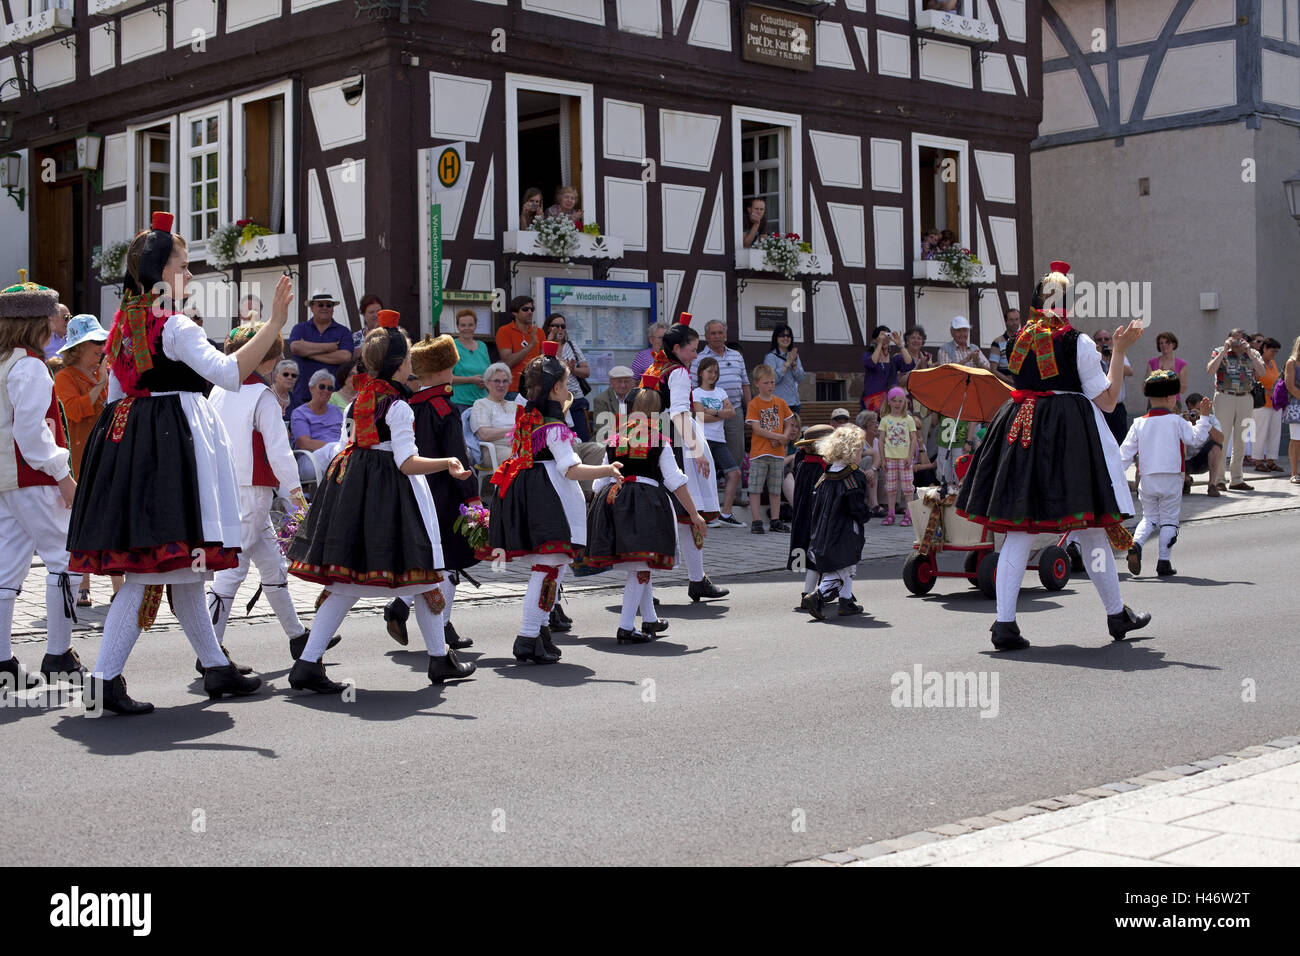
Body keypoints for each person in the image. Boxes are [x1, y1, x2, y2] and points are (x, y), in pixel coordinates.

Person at [68, 214, 292, 714]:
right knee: (149, 569)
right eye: (184, 267)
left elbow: (117, 395)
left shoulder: (126, 323)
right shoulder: (174, 325)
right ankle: (104, 679)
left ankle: (215, 667)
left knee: (183, 566)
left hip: (132, 442)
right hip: (173, 442)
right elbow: (230, 372)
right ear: (158, 272)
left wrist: (116, 463)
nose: (190, 277)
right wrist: (274, 325)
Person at [955, 260, 1150, 651]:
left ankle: (1005, 624)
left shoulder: (1018, 340)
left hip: (1020, 429)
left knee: (1016, 532)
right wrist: (1121, 350)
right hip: (1066, 437)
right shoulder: (1078, 343)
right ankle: (1115, 614)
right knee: (1091, 530)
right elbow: (1109, 402)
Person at [288, 317, 477, 690]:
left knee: (348, 580)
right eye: (407, 356)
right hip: (394, 496)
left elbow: (351, 445)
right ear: (400, 364)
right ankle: (438, 660)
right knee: (423, 574)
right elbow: (406, 462)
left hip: (354, 492)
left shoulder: (360, 398)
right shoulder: (399, 407)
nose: (411, 362)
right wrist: (448, 464)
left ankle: (310, 662)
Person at [488, 341, 620, 663]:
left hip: (530, 492)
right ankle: (528, 635)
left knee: (552, 567)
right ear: (557, 388)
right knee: (546, 567)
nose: (569, 387)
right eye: (566, 382)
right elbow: (570, 469)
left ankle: (541, 631)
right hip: (552, 497)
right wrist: (607, 468)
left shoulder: (527, 419)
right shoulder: (555, 428)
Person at [208, 323, 323, 664]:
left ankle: (298, 637)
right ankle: (210, 654)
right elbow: (280, 453)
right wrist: (297, 500)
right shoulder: (262, 395)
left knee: (272, 567)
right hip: (252, 489)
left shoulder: (218, 389)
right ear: (270, 360)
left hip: (228, 487)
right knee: (232, 572)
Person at [0, 275, 83, 694]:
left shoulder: (4, 363)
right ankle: (58, 654)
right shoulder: (30, 367)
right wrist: (62, 476)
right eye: (51, 315)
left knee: (6, 571)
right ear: (34, 321)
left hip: (6, 480)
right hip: (33, 477)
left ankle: (2, 662)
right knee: (63, 561)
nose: (56, 324)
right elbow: (33, 434)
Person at [586, 378, 706, 643]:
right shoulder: (659, 440)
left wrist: (593, 515)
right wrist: (695, 514)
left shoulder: (614, 439)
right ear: (657, 412)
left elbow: (599, 482)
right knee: (640, 566)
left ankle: (649, 618)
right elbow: (674, 480)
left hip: (615, 504)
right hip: (646, 506)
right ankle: (626, 626)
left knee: (641, 563)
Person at [382, 333, 481, 653]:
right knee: (448, 563)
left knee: (429, 558)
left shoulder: (411, 403)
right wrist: (471, 495)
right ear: (443, 370)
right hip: (445, 491)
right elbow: (459, 457)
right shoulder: (444, 408)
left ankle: (400, 607)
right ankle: (442, 628)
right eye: (451, 365)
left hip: (416, 488)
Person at [647, 315, 728, 600]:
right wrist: (696, 451)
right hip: (677, 443)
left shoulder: (656, 366)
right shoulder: (678, 373)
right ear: (679, 348)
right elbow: (680, 412)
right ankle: (696, 579)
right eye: (693, 349)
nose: (696, 354)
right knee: (690, 512)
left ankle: (647, 585)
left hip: (655, 438)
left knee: (661, 514)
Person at [1119, 372, 1213, 578]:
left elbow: (1124, 455)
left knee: (1149, 517)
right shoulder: (1176, 421)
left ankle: (1136, 543)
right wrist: (1205, 417)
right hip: (1172, 477)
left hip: (1147, 478)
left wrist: (1115, 476)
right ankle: (1163, 561)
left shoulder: (1138, 423)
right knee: (1169, 520)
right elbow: (1196, 439)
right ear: (1172, 398)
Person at [53, 314, 114, 608]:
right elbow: (75, 410)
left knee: (112, 516)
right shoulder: (65, 377)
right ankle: (83, 585)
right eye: (95, 343)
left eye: (103, 342)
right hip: (82, 456)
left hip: (109, 452)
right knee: (84, 520)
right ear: (78, 348)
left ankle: (119, 587)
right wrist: (100, 383)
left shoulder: (106, 372)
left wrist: (106, 380)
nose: (101, 348)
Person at [803, 425, 871, 621]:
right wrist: (865, 515)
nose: (861, 454)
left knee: (846, 566)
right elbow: (855, 505)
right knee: (842, 568)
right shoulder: (853, 475)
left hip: (824, 529)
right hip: (844, 529)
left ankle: (846, 601)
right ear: (851, 451)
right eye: (859, 450)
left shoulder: (827, 473)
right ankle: (818, 596)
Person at [690, 318, 751, 491]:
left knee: (736, 452)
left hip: (735, 410)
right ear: (706, 336)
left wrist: (750, 412)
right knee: (707, 453)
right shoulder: (698, 358)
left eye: (720, 333)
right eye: (713, 333)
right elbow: (693, 387)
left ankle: (736, 492)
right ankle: (708, 492)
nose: (717, 336)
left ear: (725, 334)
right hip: (706, 414)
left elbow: (745, 384)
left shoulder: (736, 356)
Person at [1206, 327, 1265, 491]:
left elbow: (1262, 372)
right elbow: (1210, 370)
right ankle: (1219, 479)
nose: (1237, 342)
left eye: (1240, 339)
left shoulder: (1252, 353)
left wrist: (1250, 352)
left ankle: (1237, 478)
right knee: (1221, 437)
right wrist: (1225, 349)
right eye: (1234, 339)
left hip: (1245, 397)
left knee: (1242, 438)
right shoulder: (1219, 351)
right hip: (1224, 396)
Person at [693, 356, 743, 527]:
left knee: (734, 473)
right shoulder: (696, 393)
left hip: (719, 440)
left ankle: (726, 513)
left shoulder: (721, 392)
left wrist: (712, 411)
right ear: (701, 373)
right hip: (703, 439)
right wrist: (720, 411)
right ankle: (707, 515)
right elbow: (700, 417)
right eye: (709, 371)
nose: (713, 375)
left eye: (715, 372)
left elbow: (732, 413)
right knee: (706, 477)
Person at [787, 423, 833, 610]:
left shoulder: (802, 461)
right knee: (821, 553)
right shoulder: (823, 468)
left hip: (802, 514)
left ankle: (819, 590)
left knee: (807, 549)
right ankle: (815, 593)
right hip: (818, 516)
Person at [746, 364, 794, 534]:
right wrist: (777, 437)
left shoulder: (780, 402)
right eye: (766, 383)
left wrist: (784, 436)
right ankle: (756, 521)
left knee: (775, 487)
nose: (770, 386)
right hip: (760, 452)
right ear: (757, 383)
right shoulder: (754, 403)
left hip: (777, 452)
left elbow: (789, 422)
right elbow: (756, 428)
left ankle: (775, 519)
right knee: (755, 487)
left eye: (772, 382)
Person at [287, 289, 353, 410]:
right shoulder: (299, 328)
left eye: (329, 305)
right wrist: (329, 347)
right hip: (302, 396)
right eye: (320, 304)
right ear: (311, 307)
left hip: (333, 397)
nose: (325, 308)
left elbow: (345, 356)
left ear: (333, 308)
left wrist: (309, 353)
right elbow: (295, 347)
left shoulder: (343, 331)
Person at [544, 312, 592, 441]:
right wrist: (549, 341)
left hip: (575, 398)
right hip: (555, 401)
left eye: (563, 326)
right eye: (556, 326)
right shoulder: (544, 346)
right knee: (562, 440)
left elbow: (586, 371)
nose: (560, 329)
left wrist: (573, 369)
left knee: (582, 439)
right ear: (549, 327)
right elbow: (540, 368)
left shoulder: (571, 345)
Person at [290, 369, 345, 482]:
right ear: (311, 388)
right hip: (309, 459)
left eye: (330, 388)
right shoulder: (300, 413)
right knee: (336, 450)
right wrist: (333, 447)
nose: (326, 391)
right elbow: (304, 443)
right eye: (322, 387)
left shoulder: (336, 411)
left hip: (338, 456)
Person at [878, 387, 917, 526]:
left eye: (900, 401)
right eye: (894, 401)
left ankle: (909, 514)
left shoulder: (908, 419)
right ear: (889, 402)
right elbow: (881, 440)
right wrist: (882, 459)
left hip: (904, 458)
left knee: (907, 487)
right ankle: (891, 513)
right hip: (889, 458)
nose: (897, 404)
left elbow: (913, 439)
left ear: (904, 403)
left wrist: (910, 456)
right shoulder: (885, 420)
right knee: (891, 487)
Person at [470, 362, 517, 465]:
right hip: (493, 449)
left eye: (505, 381)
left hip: (518, 447)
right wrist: (514, 429)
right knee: (518, 460)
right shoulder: (481, 404)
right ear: (487, 383)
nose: (501, 385)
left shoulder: (514, 405)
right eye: (497, 381)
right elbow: (485, 434)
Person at [1093, 328, 1133, 444]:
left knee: (1120, 441)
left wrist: (1113, 358)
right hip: (1099, 407)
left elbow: (1130, 372)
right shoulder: (1093, 356)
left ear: (1111, 340)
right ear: (1095, 342)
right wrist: (1097, 356)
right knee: (1100, 442)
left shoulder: (1118, 354)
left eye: (1106, 339)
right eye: (1099, 340)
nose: (1103, 342)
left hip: (1117, 407)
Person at [1181, 391, 1225, 496]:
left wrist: (1205, 423)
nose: (1195, 413)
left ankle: (1212, 485)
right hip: (1185, 462)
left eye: (1199, 410)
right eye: (1193, 410)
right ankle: (1185, 480)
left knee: (1216, 446)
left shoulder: (1211, 419)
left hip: (1204, 460)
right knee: (1180, 441)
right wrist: (1185, 423)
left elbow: (1220, 439)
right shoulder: (1181, 419)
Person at [495, 295, 541, 392]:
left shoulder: (539, 332)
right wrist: (531, 345)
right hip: (513, 390)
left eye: (532, 309)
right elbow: (508, 361)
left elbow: (544, 360)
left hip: (535, 390)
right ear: (514, 312)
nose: (530, 312)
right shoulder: (504, 331)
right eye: (525, 309)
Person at [1251, 337, 1283, 472]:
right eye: (1272, 351)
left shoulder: (1273, 363)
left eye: (1276, 351)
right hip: (1262, 403)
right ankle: (1258, 461)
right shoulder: (1258, 362)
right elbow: (1255, 381)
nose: (1274, 354)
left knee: (1275, 433)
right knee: (1260, 432)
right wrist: (1269, 391)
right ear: (1264, 349)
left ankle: (1271, 460)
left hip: (1275, 403)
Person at [449, 307, 489, 409]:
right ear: (457, 327)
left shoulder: (482, 346)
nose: (467, 328)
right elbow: (447, 378)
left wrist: (486, 382)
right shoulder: (452, 346)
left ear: (475, 326)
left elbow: (489, 373)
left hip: (482, 403)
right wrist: (471, 380)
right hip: (459, 404)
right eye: (463, 325)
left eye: (470, 325)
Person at [763, 324, 804, 417]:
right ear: (776, 338)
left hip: (795, 403)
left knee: (793, 431)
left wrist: (794, 364)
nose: (786, 338)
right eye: (782, 335)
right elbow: (772, 380)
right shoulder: (770, 357)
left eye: (788, 336)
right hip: (778, 404)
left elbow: (801, 378)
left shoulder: (794, 356)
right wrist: (786, 364)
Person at [855, 409, 886, 516]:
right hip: (858, 473)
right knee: (869, 460)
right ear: (864, 427)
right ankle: (874, 505)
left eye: (877, 422)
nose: (877, 425)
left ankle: (886, 503)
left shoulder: (878, 442)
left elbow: (880, 458)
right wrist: (870, 470)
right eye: (873, 423)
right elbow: (854, 462)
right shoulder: (858, 442)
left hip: (870, 474)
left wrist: (873, 469)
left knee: (885, 467)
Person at [861, 325, 897, 412]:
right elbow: (872, 363)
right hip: (872, 400)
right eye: (882, 336)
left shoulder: (893, 359)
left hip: (888, 400)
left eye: (887, 336)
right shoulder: (867, 355)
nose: (885, 339)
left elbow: (908, 365)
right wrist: (880, 344)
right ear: (874, 340)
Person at [1147, 331, 1188, 408]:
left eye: (1167, 342)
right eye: (1161, 343)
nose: (1163, 345)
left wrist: (1174, 379)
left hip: (1174, 404)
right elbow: (1145, 387)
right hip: (1154, 403)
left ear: (1174, 344)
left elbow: (1183, 390)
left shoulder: (1181, 364)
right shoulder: (1152, 362)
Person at [591, 364, 637, 431]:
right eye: (619, 382)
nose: (623, 385)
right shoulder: (601, 400)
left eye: (626, 381)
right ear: (611, 382)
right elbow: (602, 429)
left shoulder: (636, 397)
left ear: (631, 382)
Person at [1283, 337, 1300, 483]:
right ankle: (1294, 473)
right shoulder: (1292, 362)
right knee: (1296, 439)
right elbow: (1290, 385)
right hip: (1297, 405)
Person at [988, 309, 1022, 382]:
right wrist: (1009, 381)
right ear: (1006, 321)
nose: (1014, 323)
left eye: (1017, 319)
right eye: (1011, 320)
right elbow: (993, 370)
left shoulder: (1024, 341)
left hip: (1022, 386)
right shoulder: (997, 342)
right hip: (1005, 386)